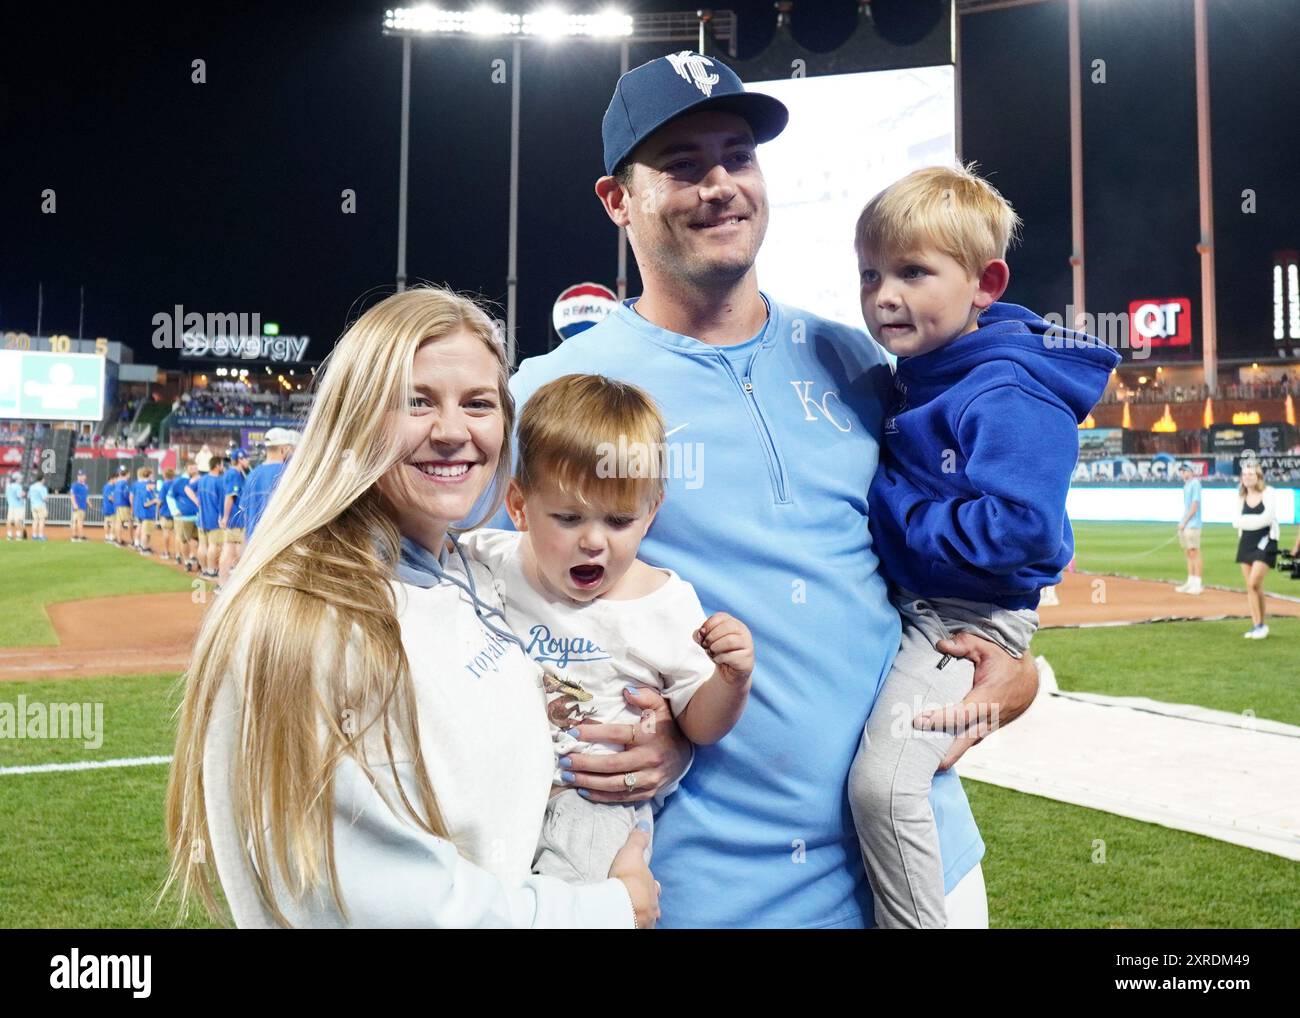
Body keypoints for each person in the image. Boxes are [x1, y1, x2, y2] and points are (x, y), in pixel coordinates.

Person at [490, 52, 1040, 928]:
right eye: (681, 166)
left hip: (922, 864)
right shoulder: (550, 393)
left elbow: (957, 557)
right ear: (616, 200)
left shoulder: (863, 363)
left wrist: (1016, 670)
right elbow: (460, 605)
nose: (719, 185)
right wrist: (592, 718)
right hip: (708, 893)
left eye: (737, 156)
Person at [165, 286, 662, 928]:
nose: (452, 431)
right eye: (416, 401)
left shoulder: (467, 572)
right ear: (355, 419)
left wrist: (650, 745)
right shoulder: (304, 615)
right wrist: (604, 910)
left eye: (477, 404)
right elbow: (375, 907)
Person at [846, 164, 1119, 928]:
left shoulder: (1007, 387)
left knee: (886, 784)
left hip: (965, 621)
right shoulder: (925, 366)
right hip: (923, 607)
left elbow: (1024, 529)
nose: (884, 296)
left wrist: (896, 512)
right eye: (870, 275)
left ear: (984, 283)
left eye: (912, 272)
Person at [460, 373, 754, 883]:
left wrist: (732, 680)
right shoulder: (489, 558)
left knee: (574, 903)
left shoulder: (665, 603)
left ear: (651, 513)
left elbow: (699, 727)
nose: (594, 542)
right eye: (569, 518)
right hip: (493, 792)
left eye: (618, 521)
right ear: (518, 507)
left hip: (595, 804)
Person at [1234, 460, 1278, 639]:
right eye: (1244, 475)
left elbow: (1267, 519)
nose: (1247, 477)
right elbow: (1235, 522)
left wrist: (1247, 522)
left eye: (1251, 474)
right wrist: (1249, 523)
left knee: (1254, 582)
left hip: (1266, 542)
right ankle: (1258, 625)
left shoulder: (1269, 492)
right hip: (1246, 542)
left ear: (1258, 476)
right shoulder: (1241, 497)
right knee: (1252, 587)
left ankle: (1260, 625)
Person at [239, 428, 299, 539]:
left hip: (254, 542)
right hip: (277, 542)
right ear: (283, 449)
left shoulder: (252, 475)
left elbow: (244, 511)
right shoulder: (289, 473)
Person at [218, 448, 250, 583]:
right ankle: (225, 581)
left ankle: (224, 582)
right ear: (240, 460)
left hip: (233, 518)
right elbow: (230, 497)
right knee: (234, 550)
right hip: (235, 518)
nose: (248, 461)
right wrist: (225, 517)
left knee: (231, 548)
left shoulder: (231, 473)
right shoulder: (234, 474)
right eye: (246, 458)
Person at [196, 458, 226, 581]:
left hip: (201, 518)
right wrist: (223, 517)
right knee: (214, 545)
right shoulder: (219, 481)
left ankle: (204, 569)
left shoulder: (201, 480)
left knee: (202, 545)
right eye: (222, 464)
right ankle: (211, 570)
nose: (223, 466)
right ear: (217, 466)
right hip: (214, 519)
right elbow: (222, 502)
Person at [1175, 462, 1203, 595]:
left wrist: (1184, 522)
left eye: (1185, 471)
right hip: (1187, 523)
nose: (1183, 473)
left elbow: (1194, 505)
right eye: (1181, 471)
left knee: (1194, 552)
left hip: (1193, 524)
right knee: (1188, 553)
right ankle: (1190, 581)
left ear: (1191, 471)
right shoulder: (1186, 485)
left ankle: (1197, 583)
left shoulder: (1195, 484)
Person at [172, 463, 202, 572]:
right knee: (184, 540)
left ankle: (200, 562)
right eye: (191, 467)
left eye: (195, 467)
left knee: (200, 540)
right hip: (185, 517)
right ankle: (187, 561)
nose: (193, 469)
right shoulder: (179, 481)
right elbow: (170, 496)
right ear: (186, 468)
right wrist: (175, 510)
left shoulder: (201, 480)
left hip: (199, 515)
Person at [158, 467, 177, 561]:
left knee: (166, 532)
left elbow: (160, 500)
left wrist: (158, 508)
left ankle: (166, 552)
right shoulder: (176, 484)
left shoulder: (164, 485)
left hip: (166, 511)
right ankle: (178, 554)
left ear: (165, 475)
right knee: (178, 534)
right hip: (177, 512)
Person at [28, 474, 49, 541]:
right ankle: (40, 535)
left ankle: (34, 535)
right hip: (40, 505)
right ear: (42, 479)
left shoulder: (32, 487)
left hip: (33, 506)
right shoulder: (42, 487)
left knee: (35, 521)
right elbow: (44, 498)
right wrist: (47, 499)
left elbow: (28, 496)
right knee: (41, 521)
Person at [70, 470, 90, 542]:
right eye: (79, 475)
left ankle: (79, 536)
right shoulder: (75, 485)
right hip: (77, 506)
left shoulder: (85, 486)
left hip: (83, 506)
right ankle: (75, 536)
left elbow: (86, 496)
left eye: (82, 475)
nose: (81, 477)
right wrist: (74, 504)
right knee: (77, 521)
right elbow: (72, 495)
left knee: (80, 521)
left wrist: (89, 503)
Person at [5, 472, 25, 541]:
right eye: (20, 478)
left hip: (11, 505)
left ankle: (9, 535)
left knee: (9, 520)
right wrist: (23, 494)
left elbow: (7, 495)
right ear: (17, 479)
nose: (21, 479)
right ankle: (18, 535)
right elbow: (19, 495)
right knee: (18, 520)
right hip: (18, 506)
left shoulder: (8, 486)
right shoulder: (18, 486)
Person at [100, 476, 116, 542]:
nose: (116, 480)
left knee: (108, 521)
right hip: (109, 506)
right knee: (112, 522)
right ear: (111, 479)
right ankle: (110, 536)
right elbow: (110, 498)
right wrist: (118, 502)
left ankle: (108, 536)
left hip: (108, 506)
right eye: (115, 479)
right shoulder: (108, 487)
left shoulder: (112, 486)